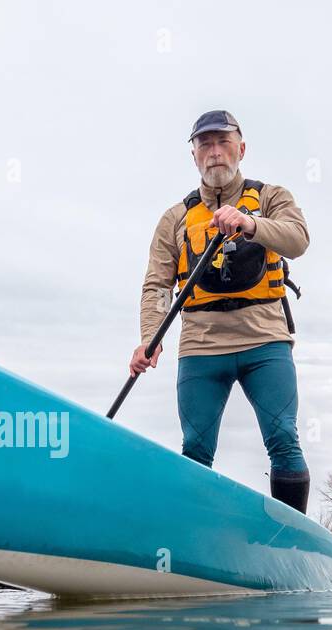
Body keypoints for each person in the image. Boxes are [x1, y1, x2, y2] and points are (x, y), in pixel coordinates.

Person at [132, 109, 311, 515]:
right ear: (194, 155)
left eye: (223, 142)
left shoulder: (271, 197)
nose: (215, 152)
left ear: (241, 148)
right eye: (204, 144)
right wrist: (150, 337)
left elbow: (298, 240)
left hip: (264, 341)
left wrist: (249, 223)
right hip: (201, 345)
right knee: (194, 449)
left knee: (283, 436)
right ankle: (193, 545)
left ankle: (292, 544)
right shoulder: (174, 218)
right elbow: (157, 285)